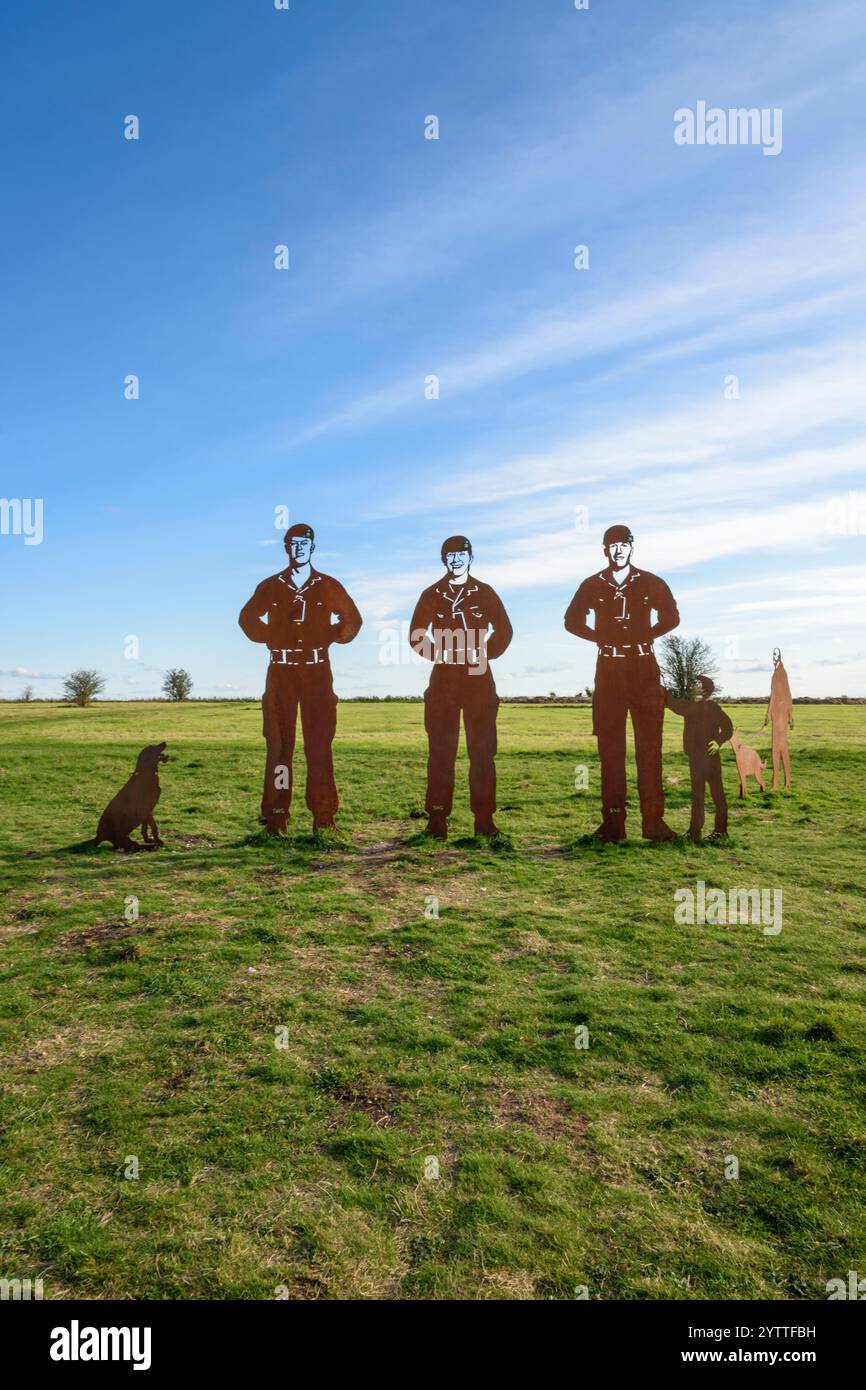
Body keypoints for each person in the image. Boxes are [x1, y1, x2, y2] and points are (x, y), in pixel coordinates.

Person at [238, 523, 362, 833]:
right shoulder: (271, 586)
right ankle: (276, 817)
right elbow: (247, 618)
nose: (298, 549)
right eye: (292, 544)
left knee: (319, 746)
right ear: (285, 548)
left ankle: (324, 818)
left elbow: (352, 620)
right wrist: (272, 636)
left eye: (304, 543)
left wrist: (329, 635)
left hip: (317, 672)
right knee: (279, 746)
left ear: (312, 547)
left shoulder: (328, 586)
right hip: (280, 673)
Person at [564, 524, 679, 842]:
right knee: (610, 750)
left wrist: (646, 635)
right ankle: (613, 825)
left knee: (649, 749)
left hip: (643, 667)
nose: (618, 550)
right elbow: (571, 620)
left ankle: (654, 823)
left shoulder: (651, 582)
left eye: (623, 544)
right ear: (605, 550)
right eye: (612, 545)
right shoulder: (592, 585)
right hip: (609, 668)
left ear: (632, 547)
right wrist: (599, 636)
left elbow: (671, 616)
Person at [409, 536, 513, 839]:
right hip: (444, 676)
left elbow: (504, 630)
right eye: (450, 555)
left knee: (482, 751)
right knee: (441, 751)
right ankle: (437, 819)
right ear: (444, 560)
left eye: (461, 554)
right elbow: (416, 634)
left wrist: (484, 653)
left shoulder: (485, 592)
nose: (456, 559)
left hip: (478, 675)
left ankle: (484, 820)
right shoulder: (432, 594)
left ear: (471, 557)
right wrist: (437, 653)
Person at [665, 676, 733, 838]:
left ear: (704, 690)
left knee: (717, 794)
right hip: (695, 758)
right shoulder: (690, 707)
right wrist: (664, 690)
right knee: (697, 795)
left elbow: (728, 727)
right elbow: (673, 704)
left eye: (696, 686)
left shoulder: (712, 707)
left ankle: (720, 831)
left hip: (711, 758)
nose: (692, 688)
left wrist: (718, 742)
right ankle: (695, 831)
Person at [763, 647, 793, 790]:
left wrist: (790, 715)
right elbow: (772, 697)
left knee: (781, 748)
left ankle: (784, 781)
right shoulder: (774, 676)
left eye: (776, 656)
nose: (775, 659)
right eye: (773, 657)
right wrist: (768, 715)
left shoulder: (782, 674)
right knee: (778, 748)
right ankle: (778, 782)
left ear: (780, 657)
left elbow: (788, 695)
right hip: (776, 713)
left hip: (781, 713)